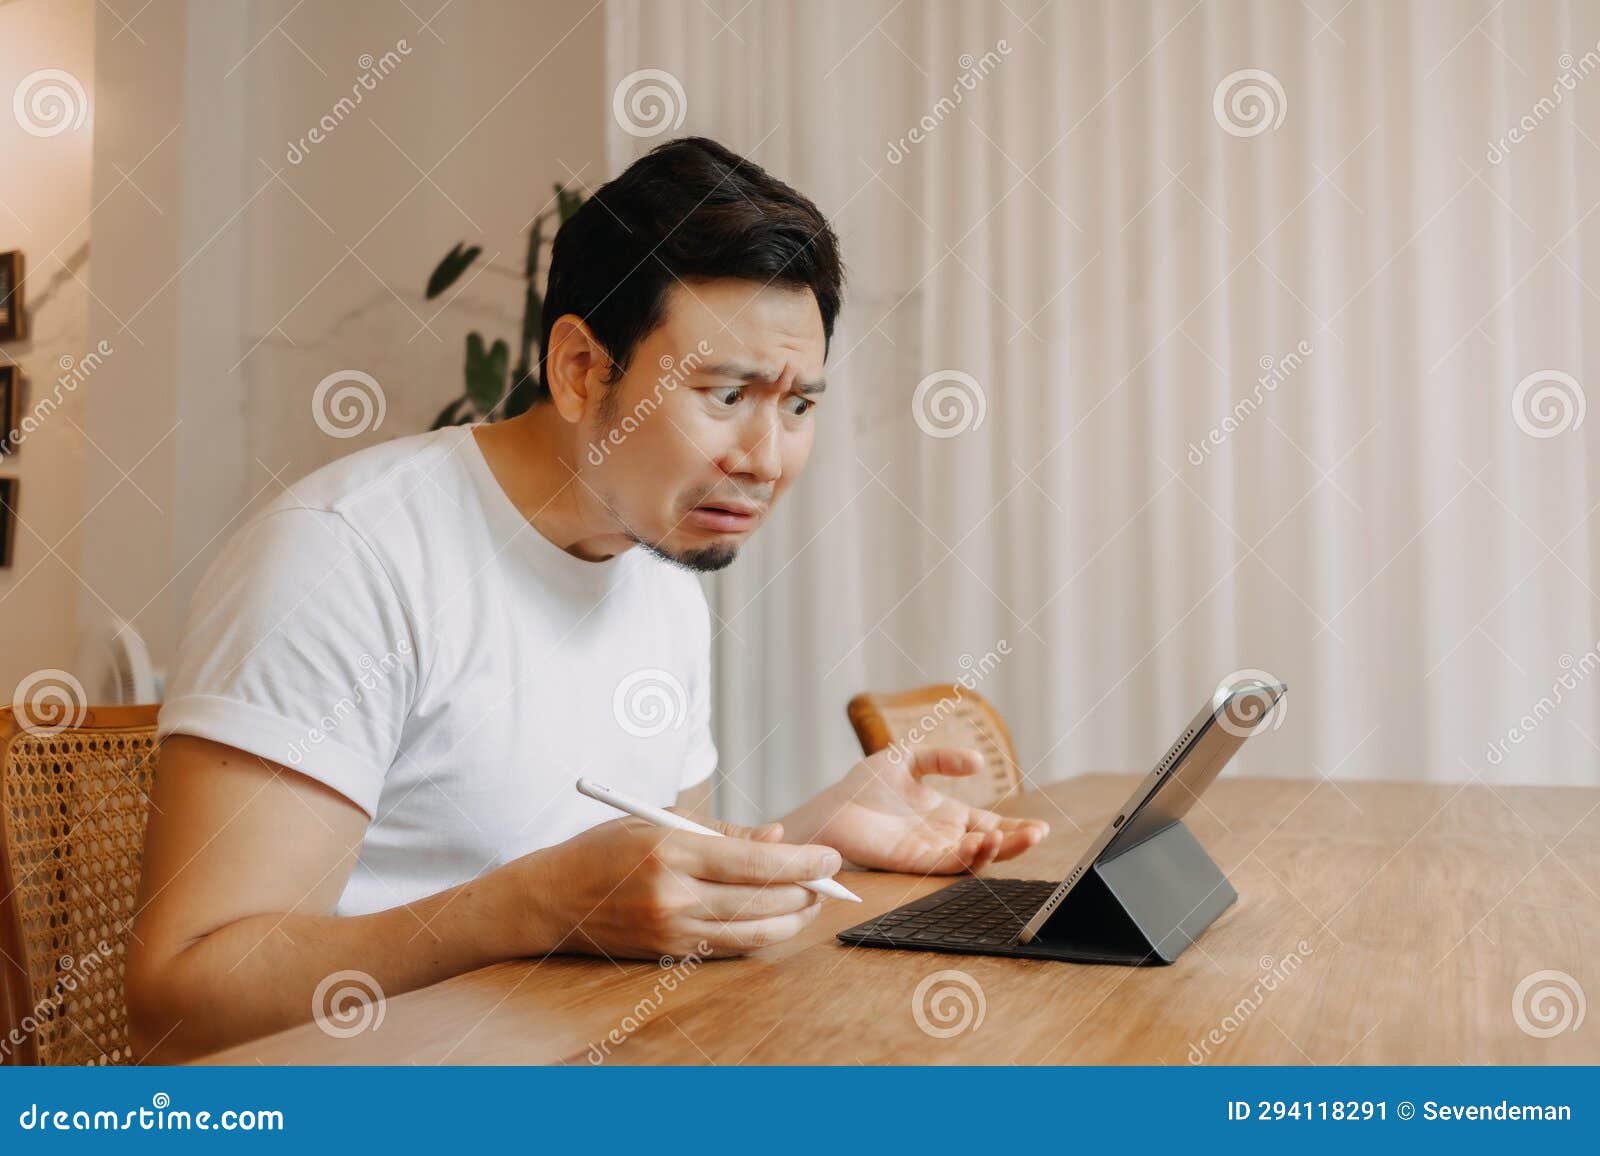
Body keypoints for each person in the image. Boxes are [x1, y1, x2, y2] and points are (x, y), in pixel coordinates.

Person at [127, 137, 1048, 1062]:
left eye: (799, 405)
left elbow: (645, 883)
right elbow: (180, 1002)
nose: (766, 458)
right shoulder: (346, 558)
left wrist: (821, 832)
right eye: (727, 393)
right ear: (577, 368)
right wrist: (526, 906)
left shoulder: (657, 559)